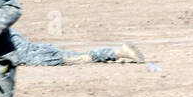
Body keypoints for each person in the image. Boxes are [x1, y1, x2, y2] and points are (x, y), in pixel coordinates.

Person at [9, 31, 143, 67]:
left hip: (32, 55)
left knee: (77, 59)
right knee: (74, 56)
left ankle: (118, 52)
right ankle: (117, 52)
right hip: (36, 48)